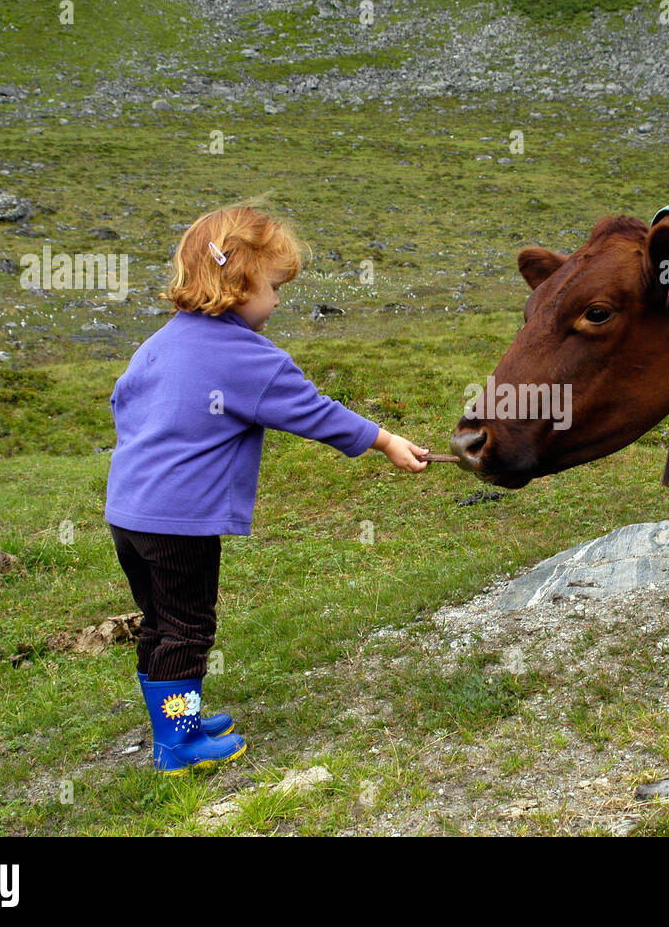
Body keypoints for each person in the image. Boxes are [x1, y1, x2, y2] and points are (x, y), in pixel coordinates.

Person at [105, 199, 429, 774]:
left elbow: (122, 401)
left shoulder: (160, 342)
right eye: (275, 286)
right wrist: (383, 440)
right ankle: (177, 745)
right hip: (180, 522)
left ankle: (175, 719)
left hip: (128, 513)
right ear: (238, 281)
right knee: (187, 626)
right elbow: (314, 411)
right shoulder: (249, 358)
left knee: (157, 621)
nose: (278, 301)